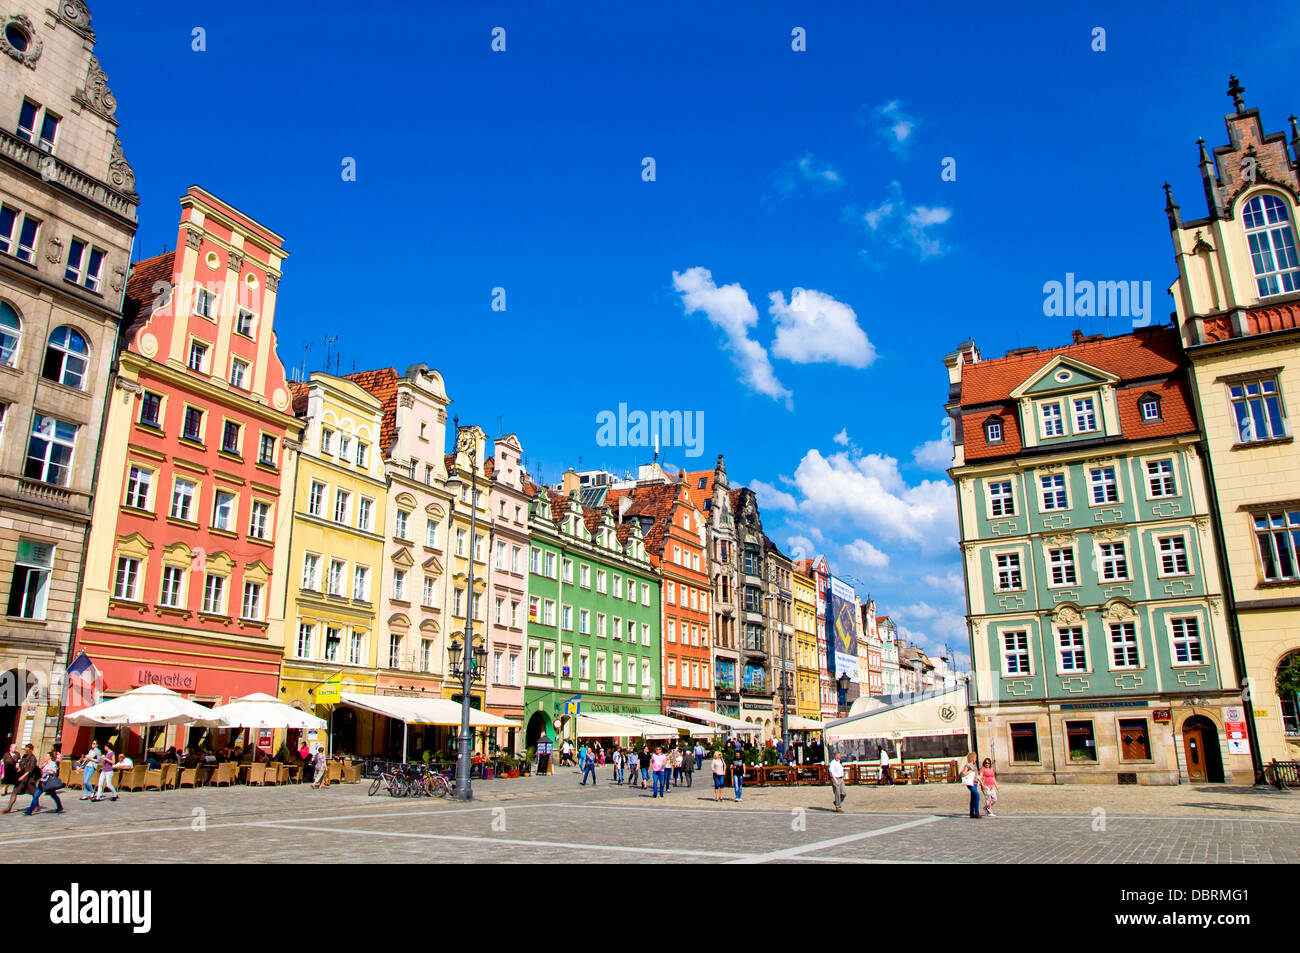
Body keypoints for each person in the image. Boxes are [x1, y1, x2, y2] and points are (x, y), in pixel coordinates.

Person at [24, 749, 64, 815]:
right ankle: (29, 811)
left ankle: (59, 807)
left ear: (50, 757)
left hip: (48, 783)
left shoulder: (53, 764)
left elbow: (54, 772)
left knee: (53, 795)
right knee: (36, 796)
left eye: (46, 756)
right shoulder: (45, 764)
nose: (44, 757)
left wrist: (47, 772)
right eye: (45, 756)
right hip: (42, 782)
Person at [961, 752, 981, 819]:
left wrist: (980, 782)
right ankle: (977, 812)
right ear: (972, 758)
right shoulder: (968, 765)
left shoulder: (975, 764)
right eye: (975, 757)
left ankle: (972, 813)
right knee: (977, 795)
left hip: (975, 783)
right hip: (970, 783)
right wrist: (970, 771)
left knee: (973, 798)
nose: (976, 759)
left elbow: (977, 774)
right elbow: (963, 773)